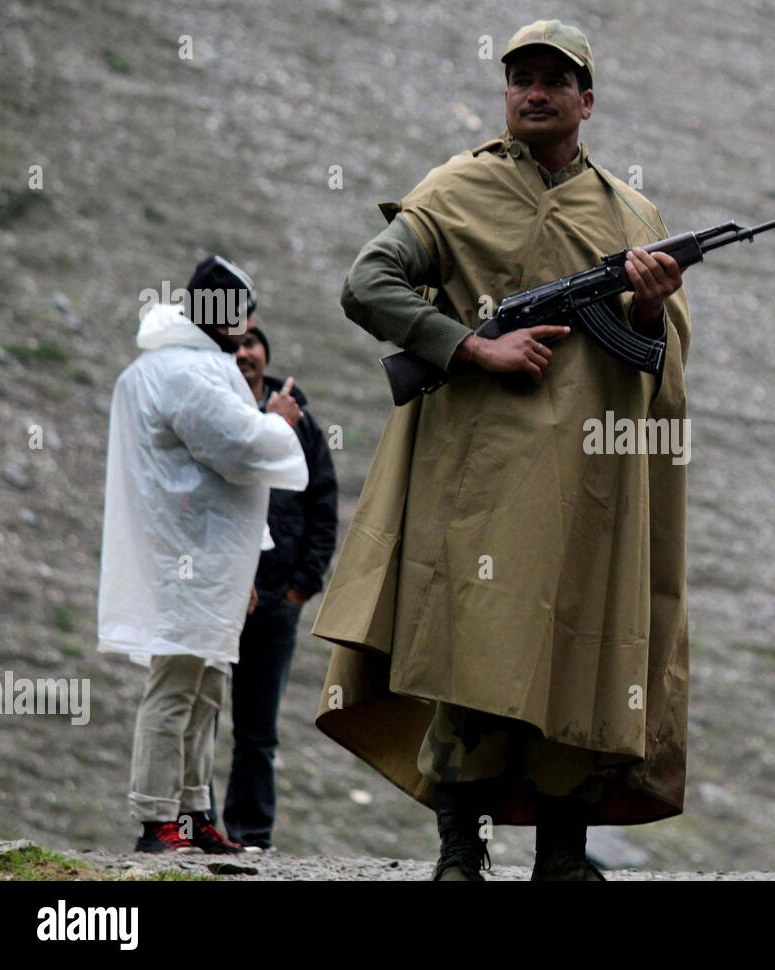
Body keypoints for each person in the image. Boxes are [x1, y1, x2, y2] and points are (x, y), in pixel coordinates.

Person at [309, 20, 692, 881]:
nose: (536, 91)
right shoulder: (455, 190)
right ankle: (458, 855)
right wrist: (471, 349)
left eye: (557, 79)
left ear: (587, 101)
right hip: (474, 479)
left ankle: (562, 859)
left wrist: (645, 309)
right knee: (467, 661)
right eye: (521, 76)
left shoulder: (633, 217)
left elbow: (662, 364)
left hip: (590, 487)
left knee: (578, 664)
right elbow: (368, 281)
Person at [99, 255, 308, 853]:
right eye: (240, 312)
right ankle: (154, 818)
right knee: (175, 688)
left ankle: (191, 815)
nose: (245, 327)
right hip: (185, 562)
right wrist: (278, 420)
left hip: (207, 562)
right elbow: (239, 449)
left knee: (204, 688)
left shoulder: (178, 366)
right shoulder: (184, 372)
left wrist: (243, 565)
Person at [221, 322, 338, 850]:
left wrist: (301, 586)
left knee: (258, 728)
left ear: (266, 353)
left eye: (252, 343)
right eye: (235, 344)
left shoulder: (300, 419)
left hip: (275, 598)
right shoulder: (215, 410)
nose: (244, 352)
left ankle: (251, 834)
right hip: (215, 592)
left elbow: (323, 501)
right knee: (198, 712)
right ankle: (187, 825)